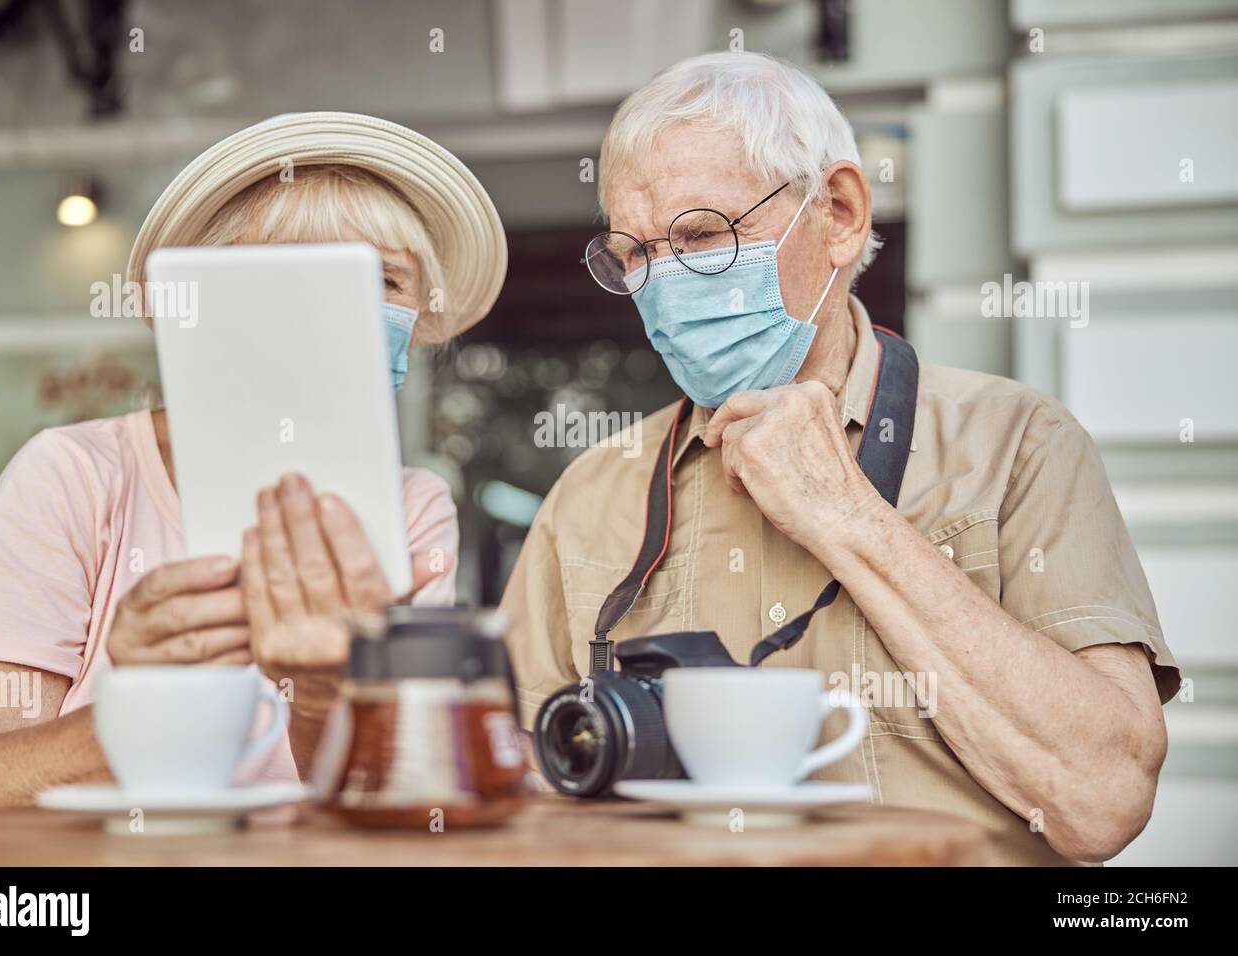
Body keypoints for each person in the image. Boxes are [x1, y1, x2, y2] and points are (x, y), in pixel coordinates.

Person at [499, 53, 1179, 865]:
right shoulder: (590, 492)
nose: (665, 285)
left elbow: (1103, 801)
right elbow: (511, 796)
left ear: (841, 212)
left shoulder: (1018, 443)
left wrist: (847, 516)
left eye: (704, 235)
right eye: (633, 254)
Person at [0, 112, 507, 812]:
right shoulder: (74, 474)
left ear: (421, 321)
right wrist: (141, 716)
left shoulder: (413, 507)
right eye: (289, 271)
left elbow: (404, 798)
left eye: (383, 278)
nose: (334, 308)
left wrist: (327, 692)